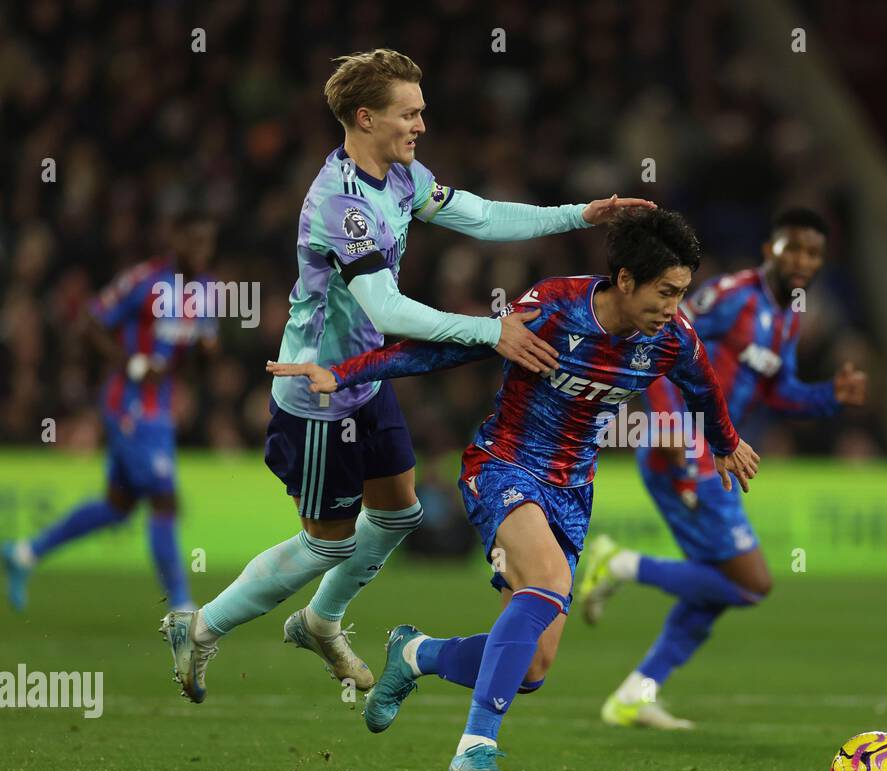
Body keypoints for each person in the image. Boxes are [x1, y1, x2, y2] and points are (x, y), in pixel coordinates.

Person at [160, 49, 652, 703]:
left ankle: (319, 622)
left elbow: (475, 214)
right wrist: (491, 330)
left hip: (366, 382)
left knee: (398, 514)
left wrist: (576, 215)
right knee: (327, 546)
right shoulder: (341, 204)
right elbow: (385, 308)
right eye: (409, 113)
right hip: (319, 395)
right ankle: (200, 626)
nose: (421, 124)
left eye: (421, 111)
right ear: (366, 118)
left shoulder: (400, 177)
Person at [268, 209, 760, 771]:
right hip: (503, 467)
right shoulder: (553, 307)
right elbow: (447, 352)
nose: (674, 306)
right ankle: (474, 750)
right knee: (547, 580)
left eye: (682, 293)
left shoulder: (672, 339)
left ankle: (416, 653)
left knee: (532, 668)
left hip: (571, 492)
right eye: (666, 291)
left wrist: (726, 445)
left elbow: (702, 387)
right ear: (626, 279)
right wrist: (345, 374)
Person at [577, 208, 868, 729]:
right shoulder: (732, 296)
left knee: (714, 589)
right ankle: (618, 562)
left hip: (718, 455)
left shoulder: (786, 316)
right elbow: (666, 345)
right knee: (752, 583)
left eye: (814, 252)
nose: (803, 260)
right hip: (684, 449)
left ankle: (635, 694)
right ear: (769, 249)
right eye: (793, 248)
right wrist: (667, 426)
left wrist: (830, 397)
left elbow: (779, 392)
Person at [4, 211, 220, 614]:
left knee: (118, 507)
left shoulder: (208, 290)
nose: (199, 250)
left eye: (206, 243)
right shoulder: (143, 280)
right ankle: (182, 607)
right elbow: (89, 322)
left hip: (161, 407)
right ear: (175, 240)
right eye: (192, 241)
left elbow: (195, 356)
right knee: (164, 499)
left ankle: (24, 553)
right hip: (128, 402)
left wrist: (207, 354)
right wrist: (131, 362)